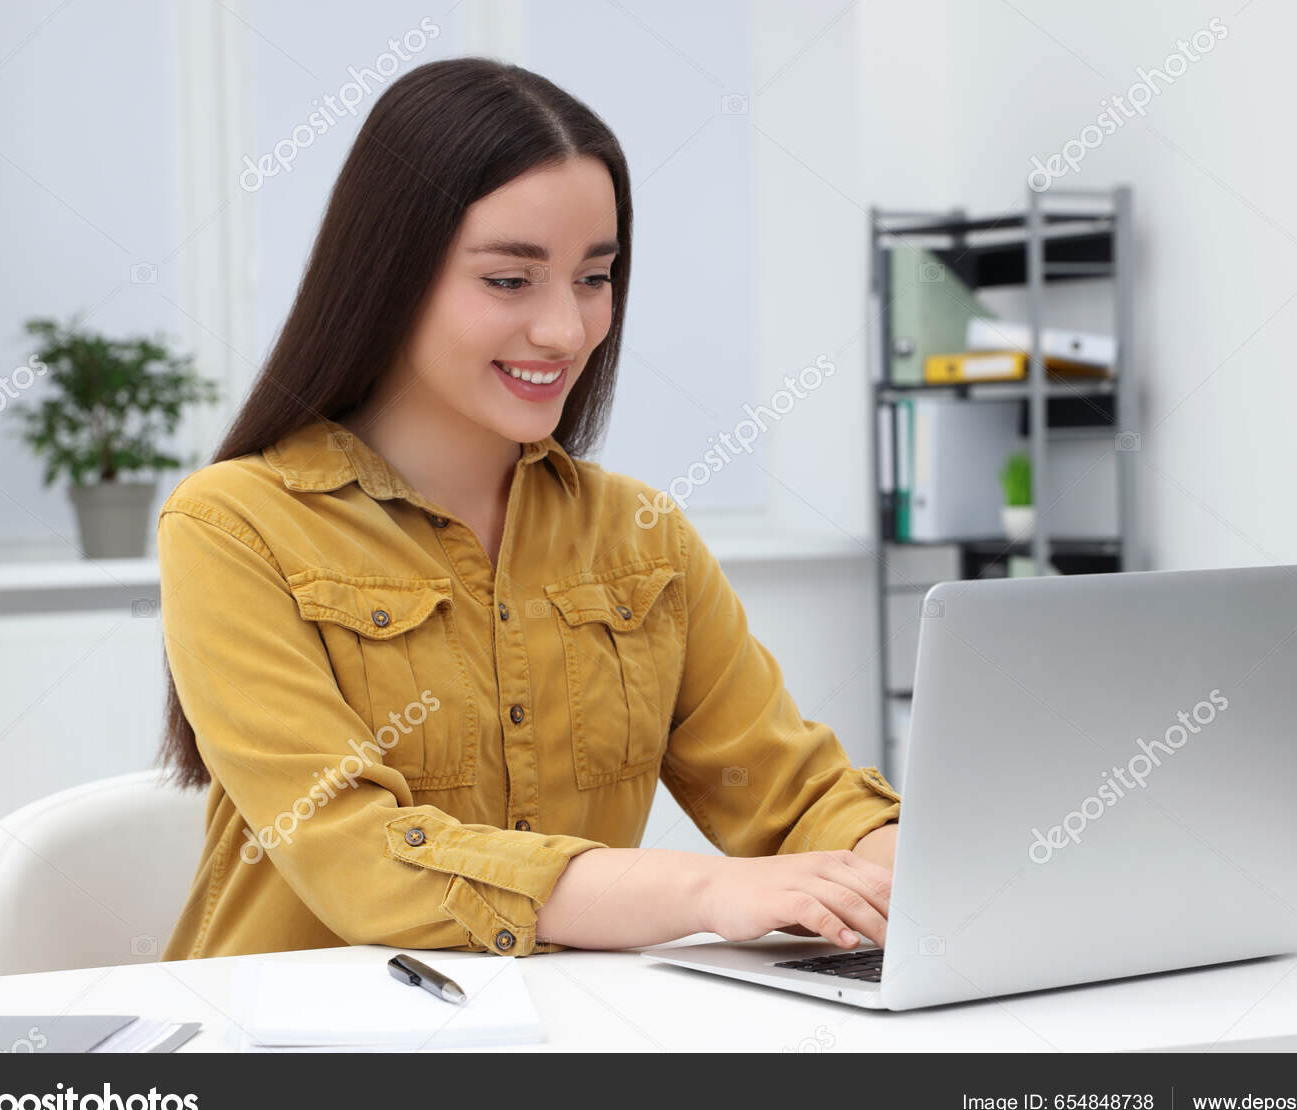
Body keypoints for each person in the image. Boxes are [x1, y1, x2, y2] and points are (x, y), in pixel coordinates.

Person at [156, 57, 900, 964]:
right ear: (390, 273)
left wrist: (901, 867)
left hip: (568, 1031)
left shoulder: (642, 539)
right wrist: (701, 888)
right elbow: (355, 850)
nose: (567, 329)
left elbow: (795, 795)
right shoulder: (232, 525)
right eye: (511, 280)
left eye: (595, 277)